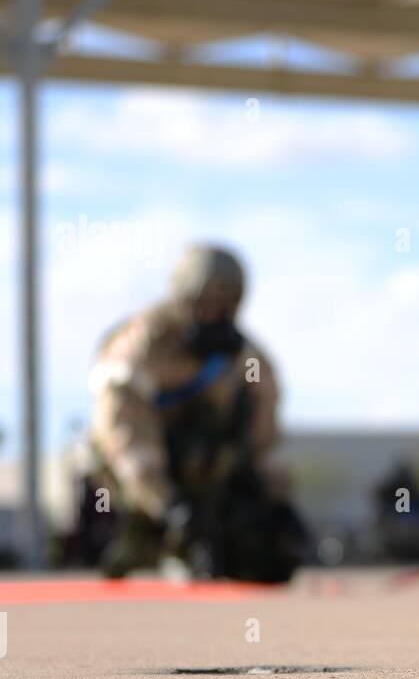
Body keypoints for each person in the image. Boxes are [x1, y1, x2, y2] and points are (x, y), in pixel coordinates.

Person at [89, 244, 304, 582]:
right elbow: (123, 431)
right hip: (145, 478)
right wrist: (169, 506)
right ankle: (144, 535)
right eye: (205, 303)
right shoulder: (142, 344)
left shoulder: (245, 359)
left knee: (267, 558)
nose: (215, 314)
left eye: (226, 305)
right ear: (183, 300)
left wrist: (279, 504)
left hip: (211, 476)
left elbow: (266, 435)